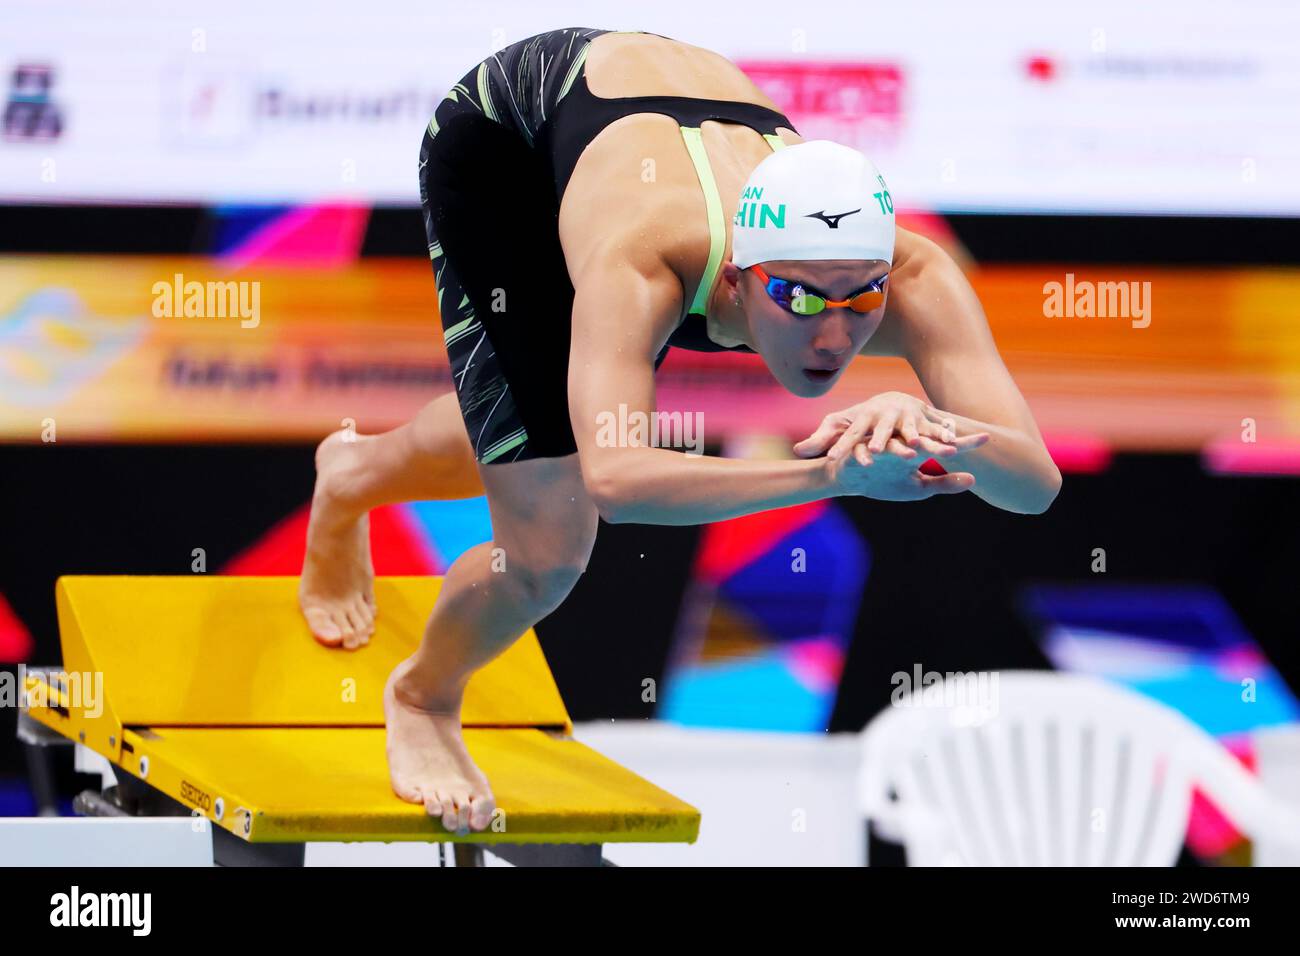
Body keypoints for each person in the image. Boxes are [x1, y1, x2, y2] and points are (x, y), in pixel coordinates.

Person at [297, 27, 1061, 833]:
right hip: (507, 147)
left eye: (859, 299)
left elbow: (1033, 485)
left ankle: (351, 472)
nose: (834, 337)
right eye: (799, 300)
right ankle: (423, 696)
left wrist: (932, 429)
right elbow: (618, 483)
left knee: (531, 429)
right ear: (737, 276)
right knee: (549, 549)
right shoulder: (645, 262)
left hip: (669, 118)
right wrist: (828, 474)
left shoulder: (915, 277)